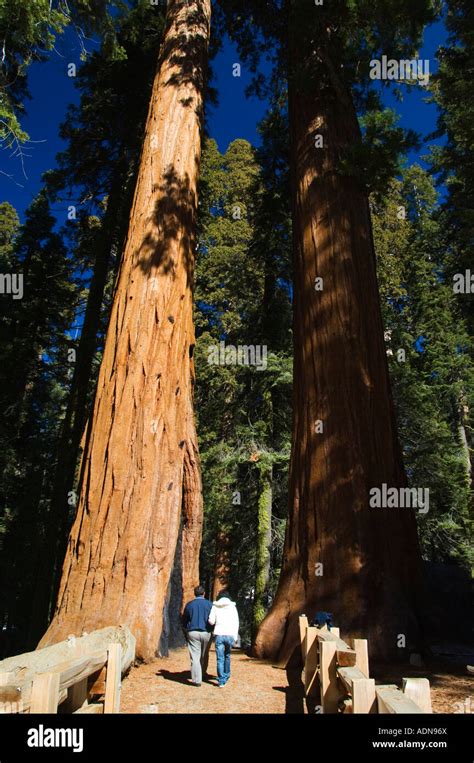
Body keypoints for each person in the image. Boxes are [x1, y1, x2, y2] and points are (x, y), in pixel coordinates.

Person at [181, 585, 213, 686]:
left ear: (195, 594)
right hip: (206, 633)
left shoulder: (190, 605)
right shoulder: (209, 604)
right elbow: (213, 619)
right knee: (204, 655)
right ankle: (202, 674)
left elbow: (184, 620)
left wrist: (186, 631)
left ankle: (196, 680)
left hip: (193, 632)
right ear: (204, 594)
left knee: (195, 657)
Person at [208, 590, 239, 688]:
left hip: (219, 634)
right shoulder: (232, 607)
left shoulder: (215, 606)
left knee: (220, 658)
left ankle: (221, 681)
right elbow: (236, 622)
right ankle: (226, 675)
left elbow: (211, 621)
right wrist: (235, 636)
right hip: (230, 634)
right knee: (227, 656)